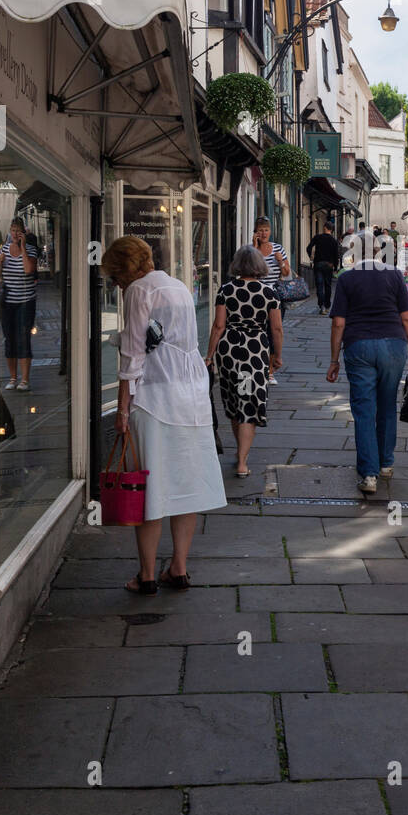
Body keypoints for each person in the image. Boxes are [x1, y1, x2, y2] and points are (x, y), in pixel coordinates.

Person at [102, 236, 226, 595]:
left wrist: (122, 409)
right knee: (184, 486)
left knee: (150, 487)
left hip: (154, 397)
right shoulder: (179, 287)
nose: (115, 284)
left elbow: (132, 359)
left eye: (115, 275)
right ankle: (180, 567)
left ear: (124, 270)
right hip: (191, 396)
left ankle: (147, 575)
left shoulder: (139, 291)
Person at [327, 229, 408, 494]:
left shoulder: (347, 279)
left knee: (363, 410)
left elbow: (338, 323)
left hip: (359, 347)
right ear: (378, 252)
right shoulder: (394, 275)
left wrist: (334, 360)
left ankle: (369, 474)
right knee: (387, 405)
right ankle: (386, 464)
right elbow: (406, 318)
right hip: (393, 346)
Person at [205, 246, 283, 476]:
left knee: (233, 401)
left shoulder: (226, 290)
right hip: (253, 352)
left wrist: (209, 356)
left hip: (229, 351)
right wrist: (277, 355)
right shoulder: (269, 293)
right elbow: (276, 328)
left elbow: (218, 326)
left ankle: (240, 453)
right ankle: (241, 461)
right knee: (247, 402)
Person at [0, 216, 38, 392]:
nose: (14, 233)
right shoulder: (4, 248)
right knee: (9, 339)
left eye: (18, 231)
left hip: (25, 301)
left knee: (23, 338)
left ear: (23, 233)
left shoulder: (31, 250)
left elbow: (28, 270)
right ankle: (13, 378)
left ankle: (25, 379)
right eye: (12, 230)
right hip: (7, 301)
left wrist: (23, 248)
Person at [253, 216, 290, 384]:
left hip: (274, 295)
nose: (263, 233)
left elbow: (286, 273)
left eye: (266, 230)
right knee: (257, 332)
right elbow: (247, 271)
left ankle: (269, 371)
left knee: (274, 331)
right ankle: (257, 368)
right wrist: (254, 248)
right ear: (255, 232)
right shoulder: (250, 250)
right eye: (260, 230)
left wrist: (281, 262)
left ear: (270, 231)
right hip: (254, 297)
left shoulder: (278, 249)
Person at [307, 220, 339, 314]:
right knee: (328, 285)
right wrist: (335, 267)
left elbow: (308, 248)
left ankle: (321, 306)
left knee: (319, 285)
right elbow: (336, 255)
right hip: (329, 265)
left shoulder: (317, 237)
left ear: (325, 227)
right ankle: (327, 305)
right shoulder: (334, 240)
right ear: (332, 230)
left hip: (318, 264)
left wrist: (311, 257)